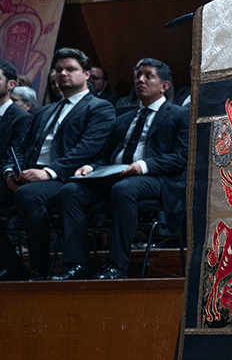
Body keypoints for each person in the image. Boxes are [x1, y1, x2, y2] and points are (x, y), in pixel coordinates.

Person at [55, 58, 188, 280]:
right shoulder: (123, 117)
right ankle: (77, 264)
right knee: (70, 191)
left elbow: (182, 157)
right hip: (116, 174)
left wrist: (144, 165)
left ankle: (117, 266)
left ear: (164, 85)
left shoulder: (178, 114)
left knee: (124, 189)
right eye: (137, 76)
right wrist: (90, 167)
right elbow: (106, 154)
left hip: (159, 178)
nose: (140, 80)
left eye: (148, 75)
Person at [0, 48, 116, 280]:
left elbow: (87, 148)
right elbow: (22, 147)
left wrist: (50, 173)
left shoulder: (99, 107)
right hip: (33, 176)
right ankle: (11, 265)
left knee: (29, 195)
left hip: (69, 176)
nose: (63, 74)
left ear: (86, 74)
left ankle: (41, 267)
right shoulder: (46, 111)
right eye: (59, 70)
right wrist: (11, 171)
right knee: (24, 191)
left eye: (71, 69)